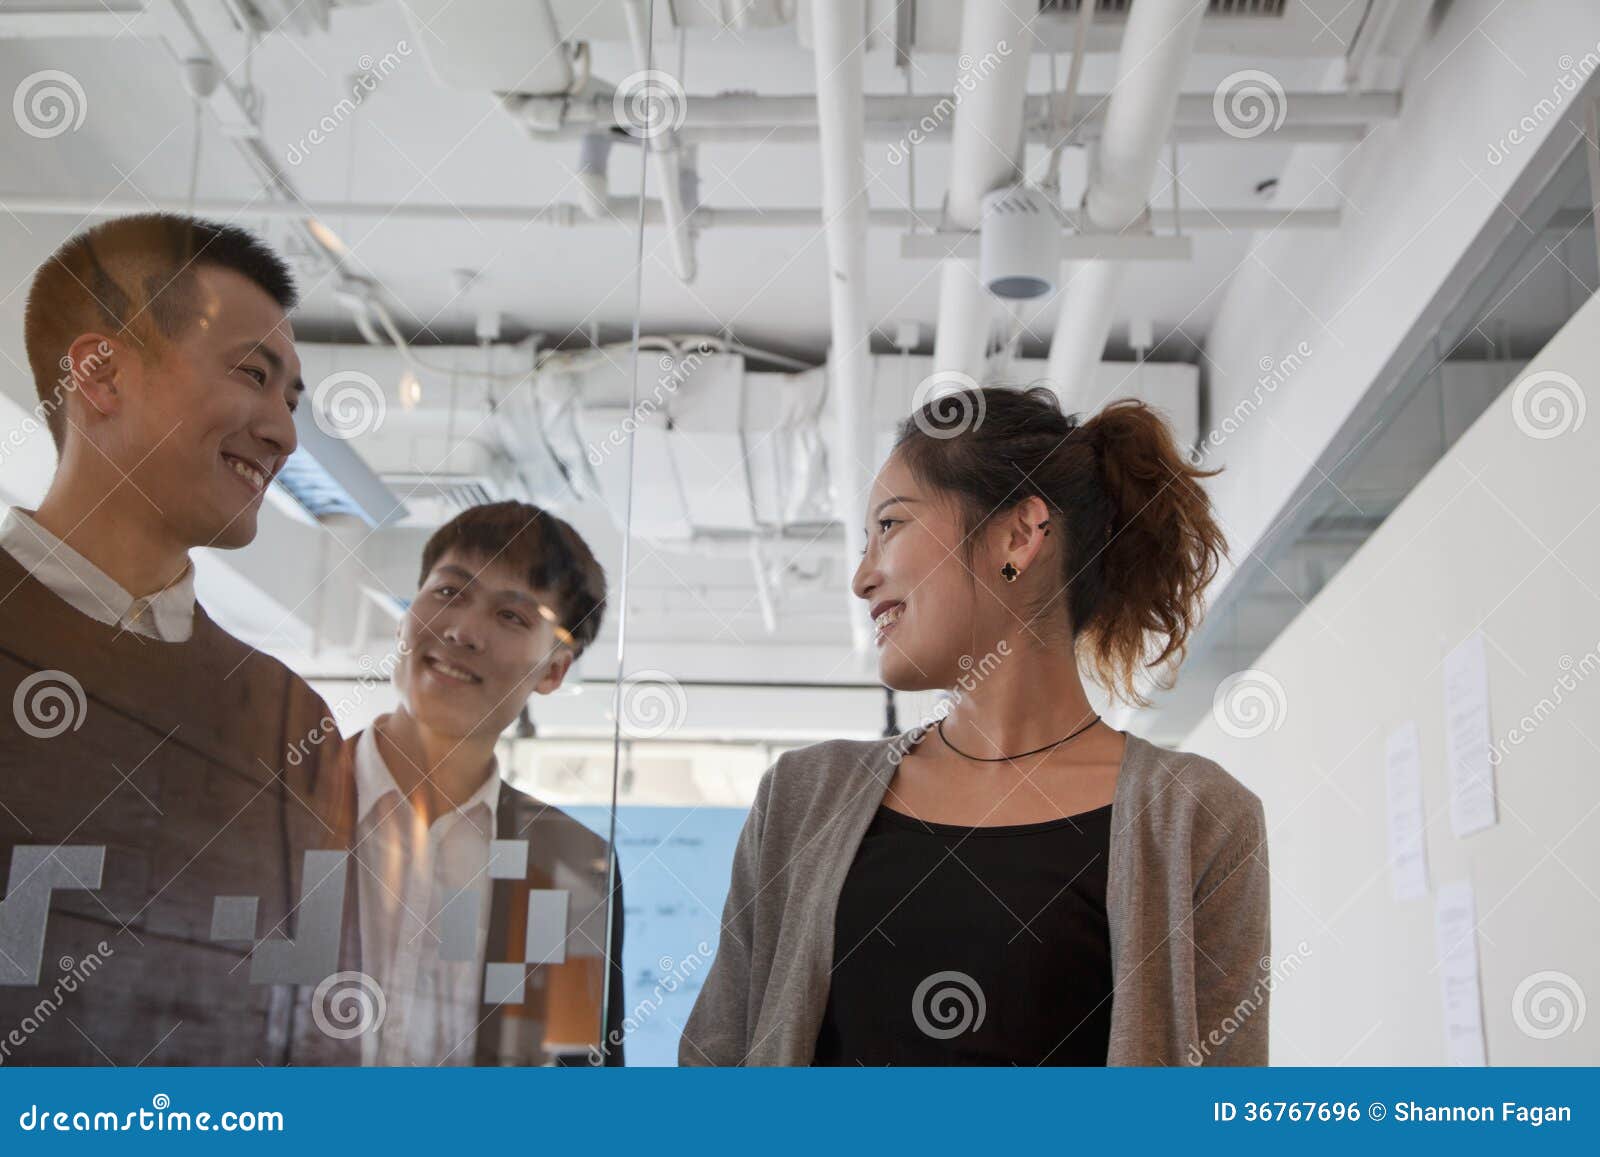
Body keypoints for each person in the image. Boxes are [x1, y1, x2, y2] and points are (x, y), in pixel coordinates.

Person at [679, 385, 1271, 1066]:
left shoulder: (1199, 817)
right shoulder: (801, 797)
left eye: (890, 526)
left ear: (1018, 536)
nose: (862, 577)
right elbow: (711, 1070)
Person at [0, 214, 349, 1064]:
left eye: (291, 398)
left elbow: (314, 1033)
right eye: (251, 375)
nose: (283, 430)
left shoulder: (289, 721)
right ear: (98, 372)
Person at [332, 500, 625, 1065]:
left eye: (512, 616)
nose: (463, 631)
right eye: (447, 593)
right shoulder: (273, 799)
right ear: (406, 613)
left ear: (554, 670)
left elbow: (575, 1078)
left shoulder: (570, 866)